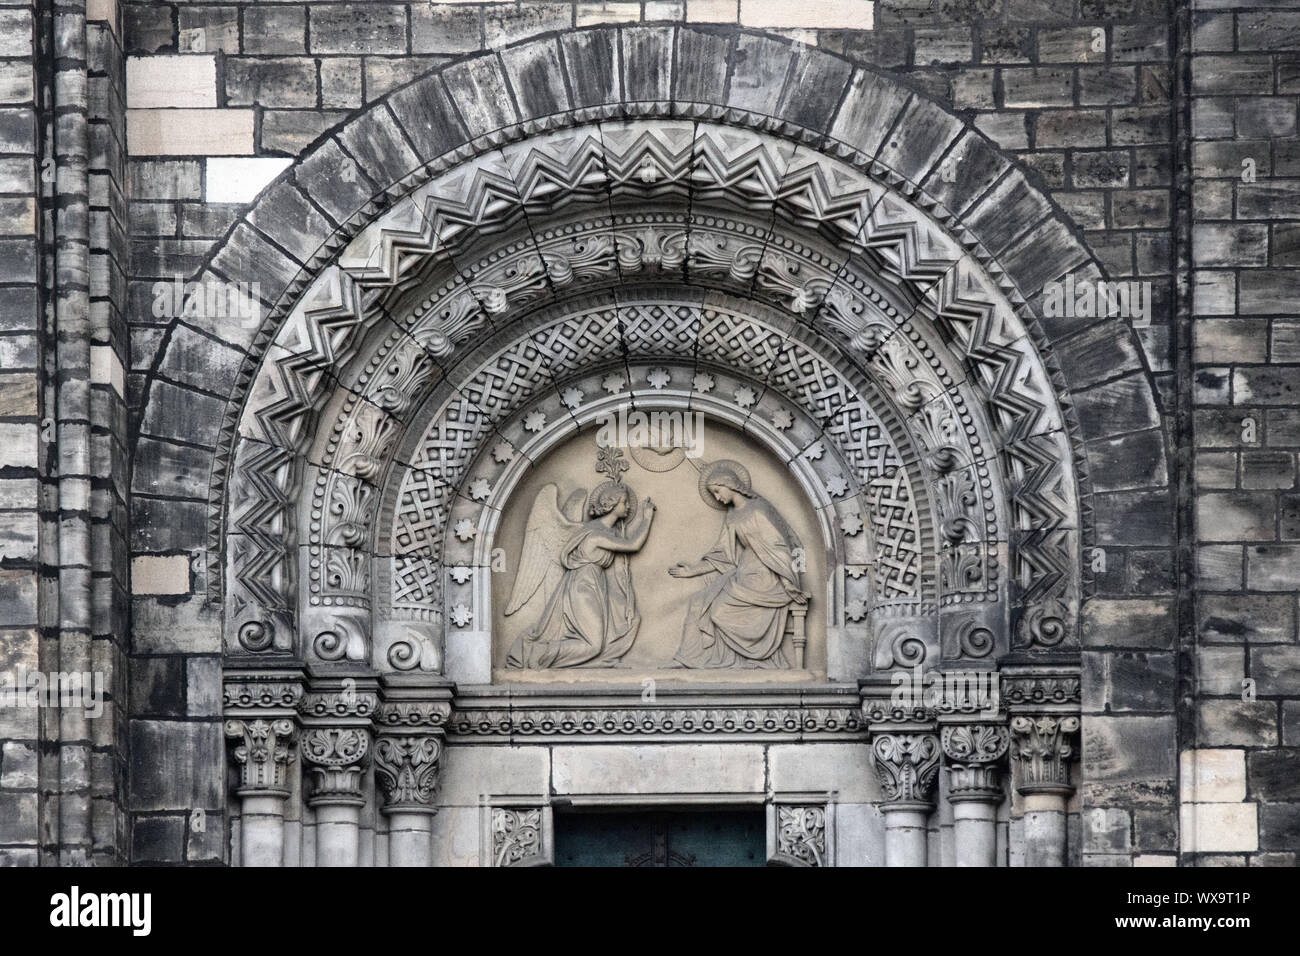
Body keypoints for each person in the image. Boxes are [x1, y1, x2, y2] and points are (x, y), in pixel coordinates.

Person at [668, 460, 807, 668]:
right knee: (698, 601)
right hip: (743, 573)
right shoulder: (732, 516)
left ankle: (751, 656)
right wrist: (692, 571)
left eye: (717, 491)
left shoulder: (759, 510)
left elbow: (781, 548)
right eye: (714, 493)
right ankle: (688, 658)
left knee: (717, 611)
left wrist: (789, 583)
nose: (717, 497)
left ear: (729, 484)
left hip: (766, 577)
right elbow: (723, 553)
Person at [506, 481, 656, 668]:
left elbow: (621, 571)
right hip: (583, 587)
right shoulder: (595, 534)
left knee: (600, 640)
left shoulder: (608, 532)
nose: (628, 506)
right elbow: (633, 545)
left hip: (595, 585)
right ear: (612, 504)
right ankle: (537, 653)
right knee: (593, 645)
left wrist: (628, 601)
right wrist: (647, 518)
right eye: (624, 502)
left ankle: (590, 662)